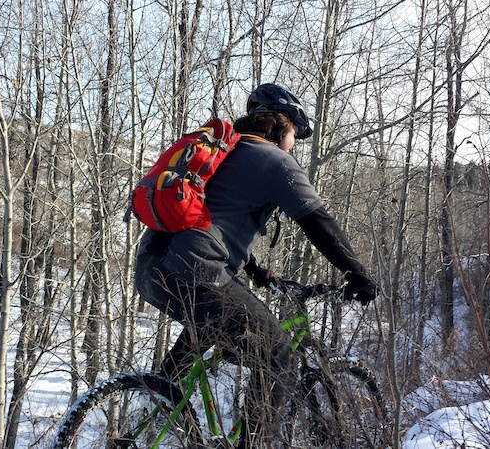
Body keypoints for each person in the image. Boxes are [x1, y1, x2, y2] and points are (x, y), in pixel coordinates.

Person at [134, 83, 377, 448]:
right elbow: (319, 223)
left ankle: (153, 403)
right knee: (279, 356)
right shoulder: (274, 161)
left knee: (209, 326)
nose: (294, 143)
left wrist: (256, 271)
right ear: (282, 126)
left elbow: (216, 220)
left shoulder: (227, 152)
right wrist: (356, 273)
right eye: (295, 134)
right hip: (194, 272)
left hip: (151, 268)